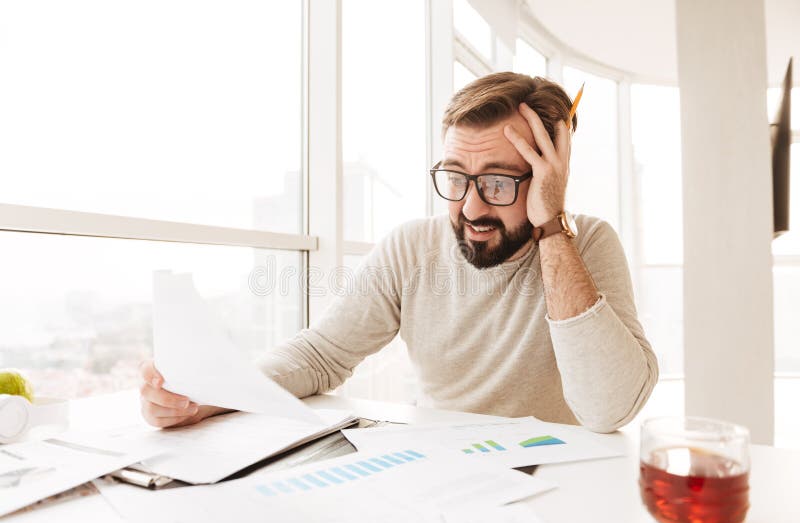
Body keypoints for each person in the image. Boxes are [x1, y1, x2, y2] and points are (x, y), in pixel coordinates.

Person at [140, 72, 658, 432]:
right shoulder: (412, 246)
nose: (471, 207)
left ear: (549, 176)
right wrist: (212, 396)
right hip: (443, 472)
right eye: (455, 177)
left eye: (498, 182)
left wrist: (552, 229)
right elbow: (321, 355)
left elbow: (609, 410)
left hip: (556, 479)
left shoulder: (586, 244)